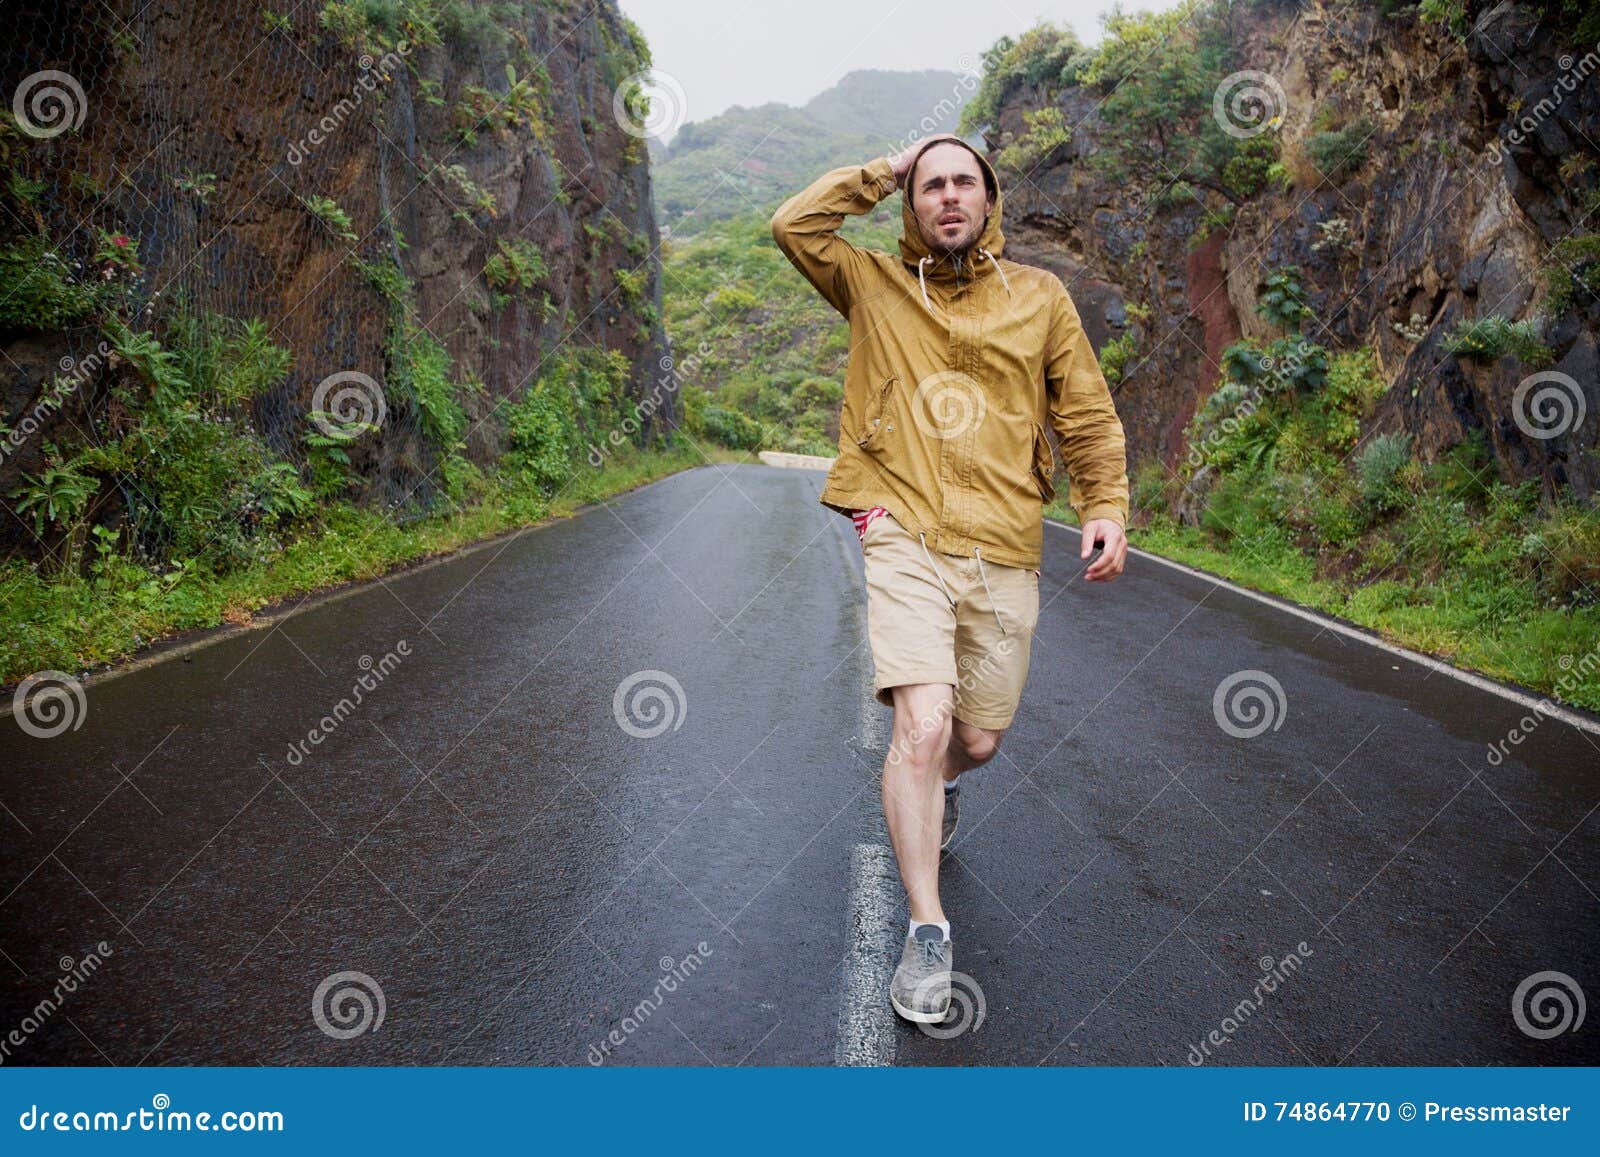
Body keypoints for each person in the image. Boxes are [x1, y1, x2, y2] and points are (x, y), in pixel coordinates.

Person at [770, 133, 1130, 1024]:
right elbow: (793, 226)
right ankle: (927, 927)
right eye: (930, 185)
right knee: (922, 725)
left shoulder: (1040, 298)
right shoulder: (874, 284)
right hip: (903, 525)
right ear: (913, 203)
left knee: (975, 740)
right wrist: (881, 169)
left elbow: (1084, 408)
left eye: (963, 181)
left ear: (989, 198)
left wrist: (1105, 503)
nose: (948, 195)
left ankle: (947, 788)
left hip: (1005, 540)